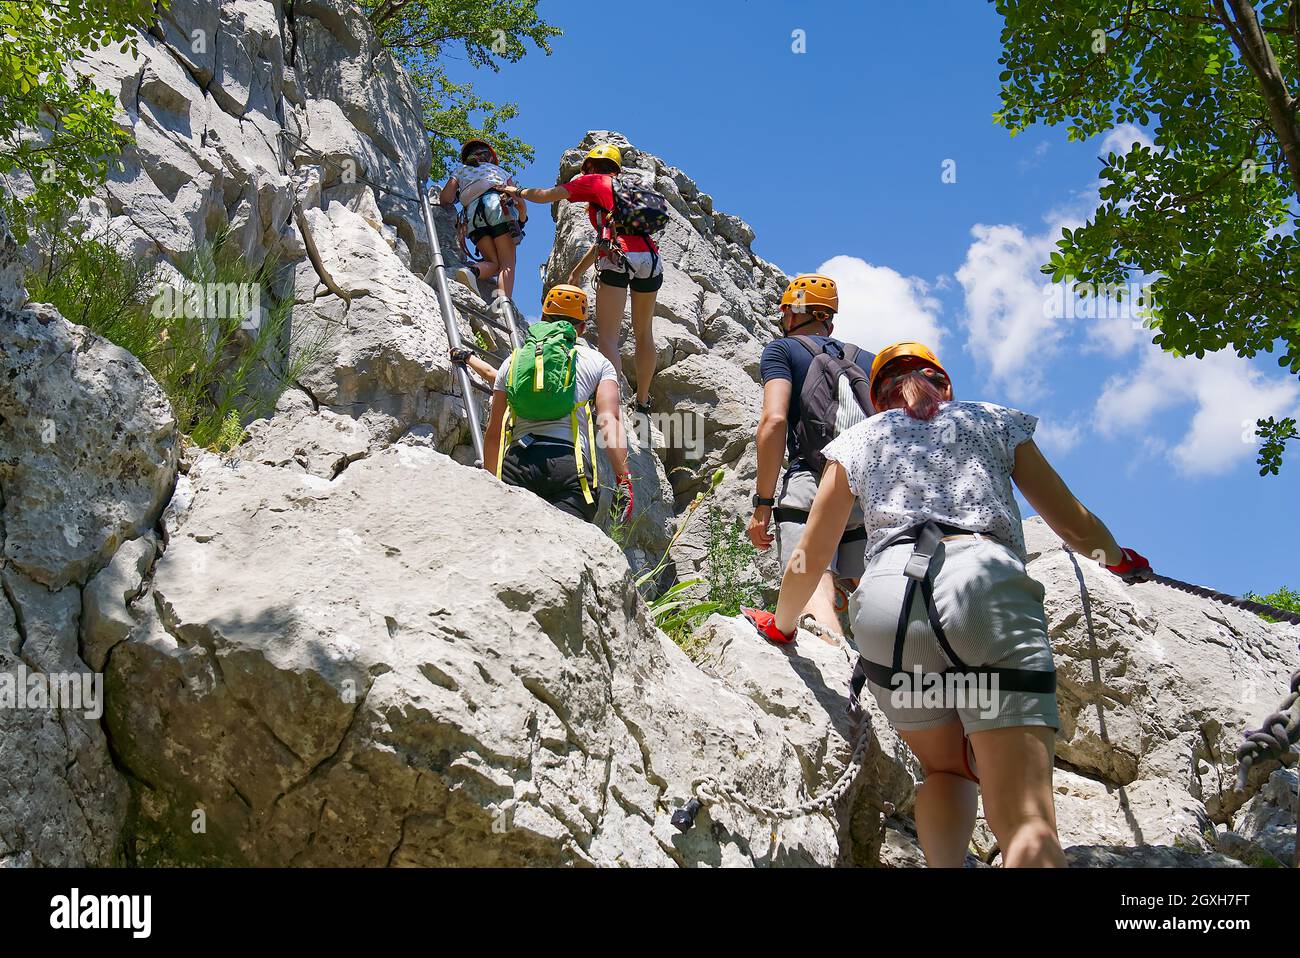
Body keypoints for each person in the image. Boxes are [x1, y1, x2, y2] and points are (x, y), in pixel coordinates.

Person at [745, 341, 1151, 868]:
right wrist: (1118, 560)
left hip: (888, 602)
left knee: (947, 773)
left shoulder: (858, 438)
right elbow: (1071, 522)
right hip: (983, 585)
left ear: (877, 397)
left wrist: (781, 625)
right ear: (946, 384)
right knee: (1025, 823)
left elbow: (813, 552)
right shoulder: (991, 420)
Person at [747, 274, 873, 641]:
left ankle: (828, 664)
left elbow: (774, 421)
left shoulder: (783, 350)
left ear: (791, 314)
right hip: (867, 493)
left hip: (811, 484)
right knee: (875, 595)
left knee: (812, 584)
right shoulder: (869, 358)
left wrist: (763, 504)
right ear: (828, 320)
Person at [502, 144, 662, 420]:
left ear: (589, 166)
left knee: (609, 337)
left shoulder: (592, 182)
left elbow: (545, 195)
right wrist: (577, 272)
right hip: (649, 257)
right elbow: (603, 238)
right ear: (616, 167)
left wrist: (517, 192)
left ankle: (611, 405)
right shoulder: (627, 188)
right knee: (643, 332)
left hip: (617, 257)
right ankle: (644, 401)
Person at [481, 284, 634, 524]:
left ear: (543, 318)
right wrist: (624, 481)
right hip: (569, 467)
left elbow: (494, 432)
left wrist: (490, 482)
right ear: (581, 329)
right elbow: (609, 421)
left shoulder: (513, 362)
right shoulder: (598, 362)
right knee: (566, 551)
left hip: (518, 464)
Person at [439, 138, 526, 301]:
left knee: (493, 263)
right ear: (490, 157)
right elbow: (517, 197)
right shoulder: (500, 171)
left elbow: (445, 198)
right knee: (507, 263)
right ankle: (502, 306)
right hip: (500, 210)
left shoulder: (460, 171)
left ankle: (471, 272)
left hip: (473, 217)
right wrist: (522, 218)